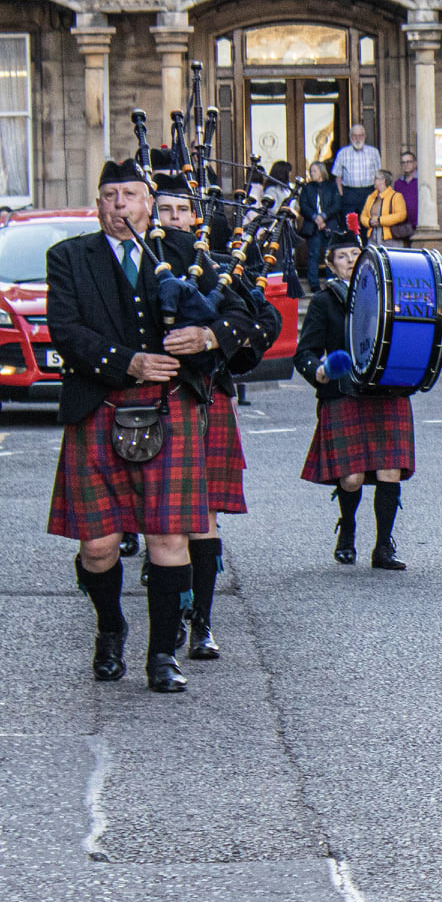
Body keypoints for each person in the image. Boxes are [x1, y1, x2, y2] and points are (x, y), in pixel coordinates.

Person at [46, 159, 259, 694]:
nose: (120, 207)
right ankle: (110, 625)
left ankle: (162, 652)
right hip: (99, 403)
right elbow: (65, 332)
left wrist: (209, 339)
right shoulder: (70, 257)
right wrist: (129, 362)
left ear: (148, 203)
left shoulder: (184, 254)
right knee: (98, 545)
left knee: (169, 537)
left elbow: (240, 315)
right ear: (98, 205)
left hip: (171, 408)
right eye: (110, 196)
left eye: (130, 196)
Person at [152, 171, 282, 662]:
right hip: (146, 401)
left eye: (181, 211)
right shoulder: (146, 261)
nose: (174, 219)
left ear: (196, 216)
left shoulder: (220, 263)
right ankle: (168, 599)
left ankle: (201, 621)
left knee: (202, 515)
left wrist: (215, 339)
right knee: (163, 521)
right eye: (165, 211)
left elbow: (262, 320)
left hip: (205, 397)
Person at [295, 230, 416, 570]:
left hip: (387, 390)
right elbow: (305, 352)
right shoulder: (324, 301)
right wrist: (321, 371)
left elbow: (410, 335)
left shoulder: (389, 295)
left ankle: (383, 546)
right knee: (352, 478)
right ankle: (347, 528)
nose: (350, 261)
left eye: (354, 254)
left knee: (389, 470)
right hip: (344, 391)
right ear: (330, 264)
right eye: (342, 256)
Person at [298, 159, 342, 291]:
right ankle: (314, 284)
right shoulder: (307, 188)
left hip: (329, 225)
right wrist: (315, 217)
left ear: (322, 172)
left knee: (329, 255)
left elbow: (336, 205)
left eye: (314, 171)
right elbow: (303, 205)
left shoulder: (332, 186)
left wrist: (323, 217)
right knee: (313, 254)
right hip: (312, 227)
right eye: (311, 171)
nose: (312, 173)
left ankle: (331, 282)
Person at [331, 124, 381, 218]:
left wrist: (377, 193)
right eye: (355, 136)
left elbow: (378, 175)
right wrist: (342, 195)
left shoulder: (373, 152)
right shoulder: (342, 153)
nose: (358, 139)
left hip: (368, 191)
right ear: (350, 137)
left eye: (360, 136)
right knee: (349, 225)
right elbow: (338, 177)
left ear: (364, 136)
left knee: (367, 224)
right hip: (349, 193)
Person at [361, 170, 407, 247]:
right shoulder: (371, 197)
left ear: (383, 180)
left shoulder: (396, 196)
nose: (374, 181)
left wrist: (380, 220)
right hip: (373, 239)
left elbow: (401, 215)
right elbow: (363, 216)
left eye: (376, 178)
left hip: (391, 240)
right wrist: (369, 221)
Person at [393, 150, 420, 236]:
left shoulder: (421, 181)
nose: (406, 164)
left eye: (409, 162)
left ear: (415, 164)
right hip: (403, 227)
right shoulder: (398, 184)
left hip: (419, 226)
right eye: (403, 162)